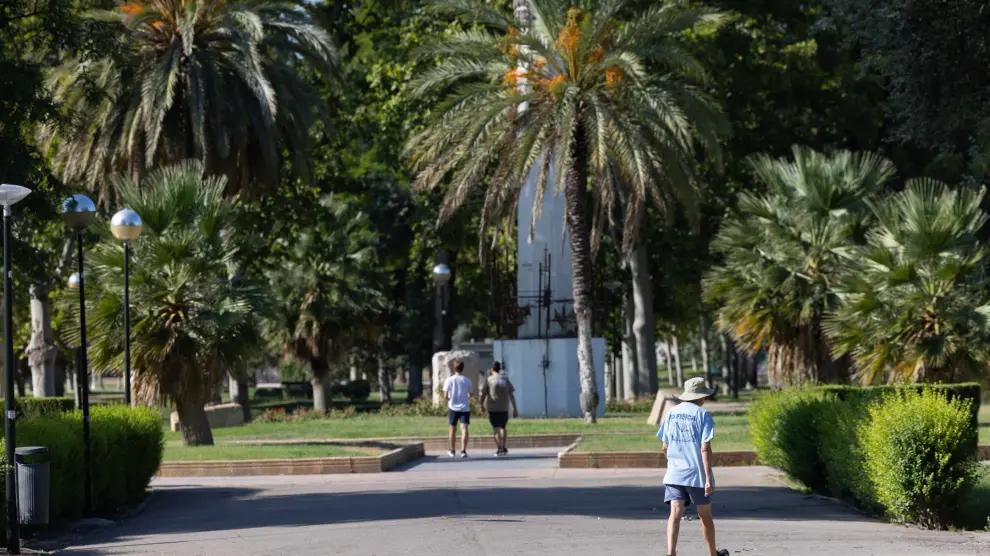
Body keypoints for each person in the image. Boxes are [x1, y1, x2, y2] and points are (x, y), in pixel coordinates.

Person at [657, 377, 730, 556]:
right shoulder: (703, 415)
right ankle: (713, 553)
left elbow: (664, 447)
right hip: (696, 474)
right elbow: (705, 449)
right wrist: (708, 479)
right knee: (705, 515)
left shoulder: (672, 412)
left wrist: (675, 461)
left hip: (674, 473)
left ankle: (671, 553)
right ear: (701, 397)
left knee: (675, 513)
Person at [479, 361, 518, 456]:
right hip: (504, 407)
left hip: (493, 408)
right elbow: (511, 394)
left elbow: (483, 394)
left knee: (496, 429)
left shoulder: (489, 380)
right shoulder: (505, 379)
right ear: (499, 369)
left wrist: (481, 406)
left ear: (492, 369)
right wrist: (515, 408)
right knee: (503, 427)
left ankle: (499, 448)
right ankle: (504, 447)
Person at [443, 359, 473, 458]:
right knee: (464, 429)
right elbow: (470, 394)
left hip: (453, 407)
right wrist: (466, 397)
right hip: (464, 408)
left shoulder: (449, 380)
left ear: (454, 368)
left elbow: (446, 396)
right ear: (462, 368)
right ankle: (463, 451)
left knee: (452, 428)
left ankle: (452, 450)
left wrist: (450, 398)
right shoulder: (467, 380)